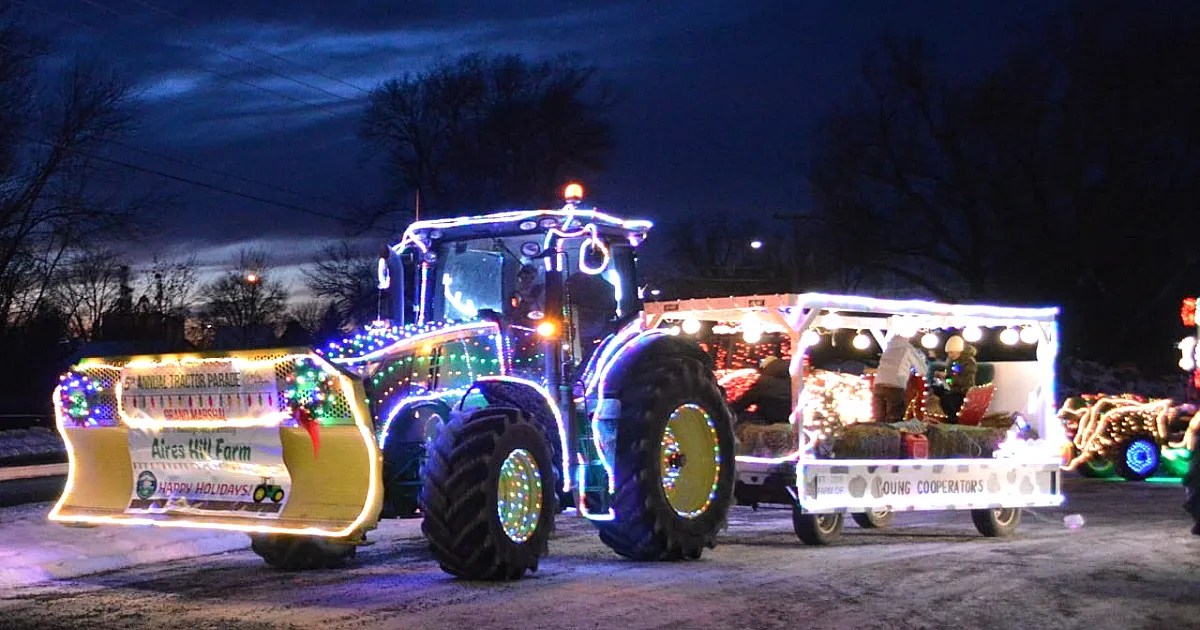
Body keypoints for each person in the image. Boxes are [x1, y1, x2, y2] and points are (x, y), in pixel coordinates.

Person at [872, 335, 927, 422]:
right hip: (895, 386)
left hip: (878, 385)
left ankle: (880, 434)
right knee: (894, 418)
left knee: (879, 418)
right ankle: (892, 435)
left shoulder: (889, 348)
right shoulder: (908, 348)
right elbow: (922, 369)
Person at [730, 356, 792, 424]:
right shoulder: (791, 381)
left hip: (766, 419)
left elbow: (745, 401)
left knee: (737, 417)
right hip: (786, 420)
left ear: (766, 367)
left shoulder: (766, 381)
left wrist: (728, 409)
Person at [932, 335, 977, 423]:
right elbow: (951, 378)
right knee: (935, 389)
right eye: (948, 353)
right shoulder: (952, 362)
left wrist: (947, 377)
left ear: (959, 350)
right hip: (952, 389)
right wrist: (942, 378)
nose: (949, 355)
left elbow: (966, 381)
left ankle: (953, 420)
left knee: (947, 399)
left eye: (951, 352)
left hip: (963, 392)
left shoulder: (969, 362)